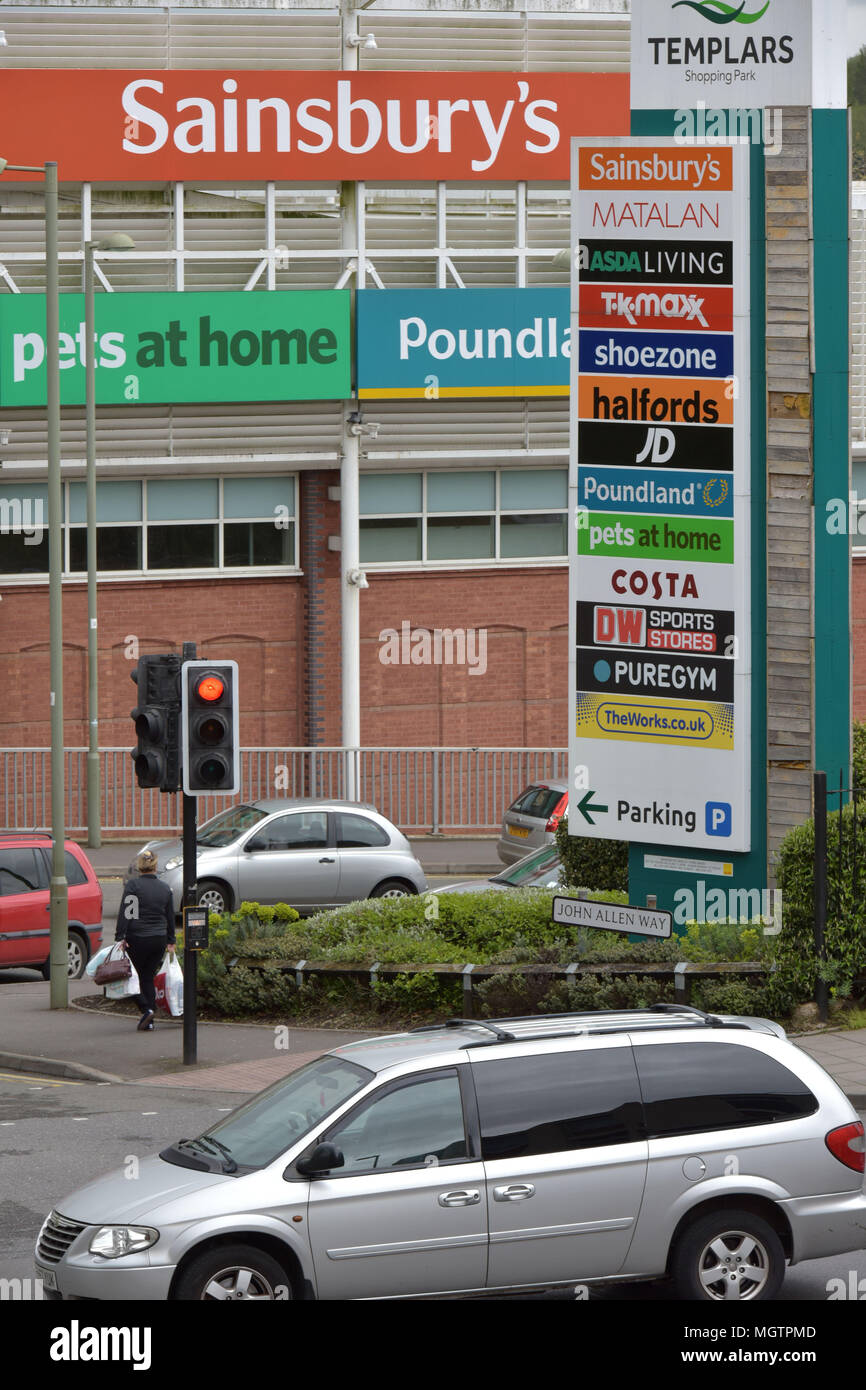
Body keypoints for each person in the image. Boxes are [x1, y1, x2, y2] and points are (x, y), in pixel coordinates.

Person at [115, 849, 176, 1032]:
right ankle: (149, 1022)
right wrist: (170, 940)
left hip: (137, 938)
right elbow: (169, 916)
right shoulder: (165, 888)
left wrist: (120, 936)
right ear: (155, 867)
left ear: (140, 867)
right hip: (158, 939)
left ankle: (146, 1009)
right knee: (148, 978)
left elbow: (127, 913)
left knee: (131, 978)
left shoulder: (133, 886)